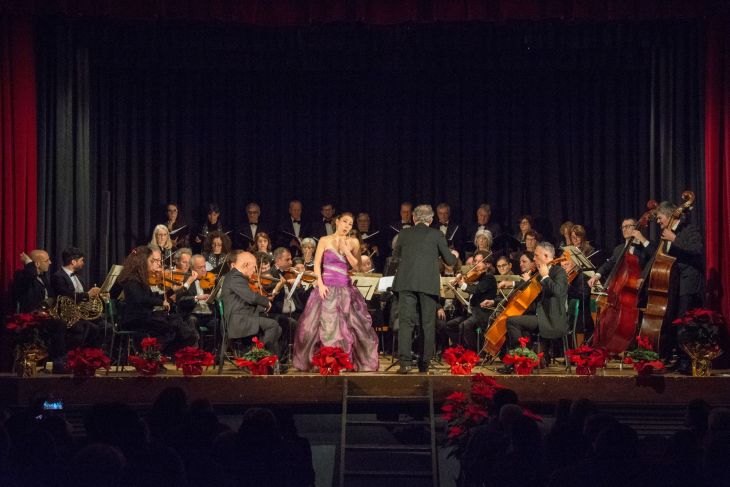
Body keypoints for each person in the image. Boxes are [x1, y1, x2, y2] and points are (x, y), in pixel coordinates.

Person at [293, 212, 379, 372]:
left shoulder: (353, 241)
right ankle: (326, 361)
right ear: (337, 221)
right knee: (322, 326)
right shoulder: (324, 240)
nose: (347, 226)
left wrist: (346, 250)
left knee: (348, 326)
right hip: (326, 287)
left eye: (350, 224)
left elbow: (357, 267)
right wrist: (320, 283)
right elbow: (317, 264)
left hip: (345, 289)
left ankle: (344, 361)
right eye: (345, 222)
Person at [392, 204, 457, 373]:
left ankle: (405, 363)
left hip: (406, 283)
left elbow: (395, 256)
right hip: (428, 284)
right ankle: (424, 363)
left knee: (406, 323)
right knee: (427, 324)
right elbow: (450, 261)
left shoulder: (404, 233)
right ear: (431, 219)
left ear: (414, 218)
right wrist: (453, 256)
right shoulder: (437, 234)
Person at [500, 242, 568, 374]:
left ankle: (523, 359)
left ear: (546, 255)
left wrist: (545, 276)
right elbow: (529, 285)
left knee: (512, 321)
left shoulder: (559, 271)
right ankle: (520, 360)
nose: (534, 259)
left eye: (536, 256)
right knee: (517, 323)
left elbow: (558, 291)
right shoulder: (541, 272)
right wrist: (512, 283)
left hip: (552, 320)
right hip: (541, 316)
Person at [117, 246, 199, 353]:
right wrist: (161, 302)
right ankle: (158, 353)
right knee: (170, 324)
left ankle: (184, 341)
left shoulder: (142, 279)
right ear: (142, 262)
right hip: (135, 319)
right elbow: (141, 299)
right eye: (152, 261)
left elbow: (152, 298)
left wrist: (171, 291)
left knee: (173, 320)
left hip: (145, 317)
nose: (156, 264)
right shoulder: (132, 280)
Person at [14, 250, 68, 372]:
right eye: (47, 260)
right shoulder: (22, 276)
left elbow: (50, 297)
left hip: (45, 316)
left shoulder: (43, 278)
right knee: (59, 325)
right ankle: (58, 364)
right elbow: (30, 275)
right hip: (30, 317)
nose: (50, 262)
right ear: (37, 264)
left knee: (69, 324)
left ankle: (65, 361)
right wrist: (28, 262)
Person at [221, 250, 281, 354]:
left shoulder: (235, 276)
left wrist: (262, 308)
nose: (254, 271)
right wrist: (266, 302)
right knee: (273, 325)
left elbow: (243, 302)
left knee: (278, 329)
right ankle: (256, 354)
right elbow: (251, 298)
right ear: (246, 265)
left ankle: (273, 362)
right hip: (238, 321)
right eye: (254, 267)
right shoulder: (235, 277)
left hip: (243, 317)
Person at [50, 247, 104, 348]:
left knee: (105, 326)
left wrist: (98, 296)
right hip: (68, 317)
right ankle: (79, 355)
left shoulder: (79, 277)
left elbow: (85, 298)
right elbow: (66, 295)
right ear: (73, 262)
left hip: (82, 315)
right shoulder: (58, 276)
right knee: (91, 328)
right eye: (82, 260)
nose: (83, 263)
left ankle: (94, 356)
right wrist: (87, 294)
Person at [444, 250, 497, 351]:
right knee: (450, 325)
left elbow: (476, 290)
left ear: (488, 264)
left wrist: (461, 284)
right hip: (471, 313)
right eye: (475, 261)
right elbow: (467, 283)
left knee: (465, 325)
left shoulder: (489, 278)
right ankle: (461, 348)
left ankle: (475, 352)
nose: (475, 264)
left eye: (479, 261)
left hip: (483, 314)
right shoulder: (477, 276)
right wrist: (457, 280)